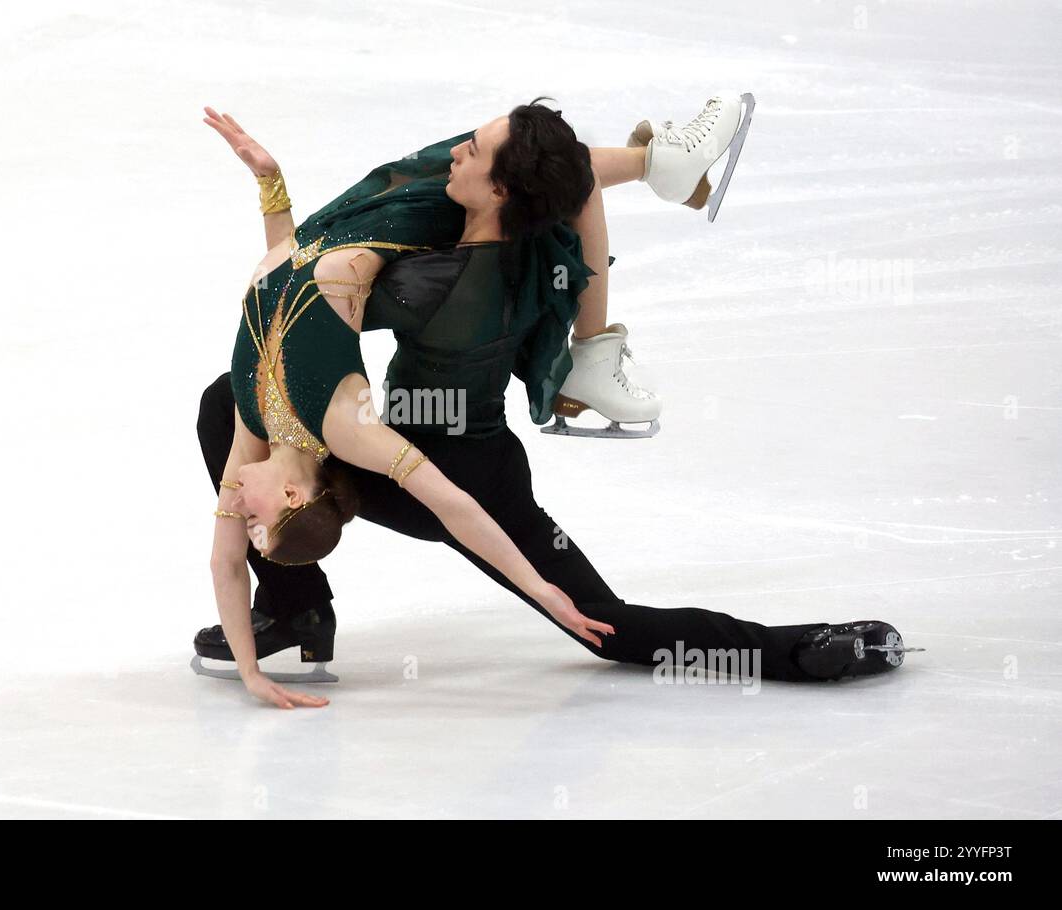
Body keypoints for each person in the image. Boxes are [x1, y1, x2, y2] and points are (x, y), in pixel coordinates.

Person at [194, 99, 920, 705]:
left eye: (472, 151)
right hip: (394, 452)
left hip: (470, 473)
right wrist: (271, 187)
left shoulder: (439, 283)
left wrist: (540, 589)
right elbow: (569, 185)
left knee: (601, 623)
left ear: (499, 193)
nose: (454, 153)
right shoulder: (473, 227)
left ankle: (794, 650)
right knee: (224, 400)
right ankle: (298, 609)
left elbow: (453, 503)